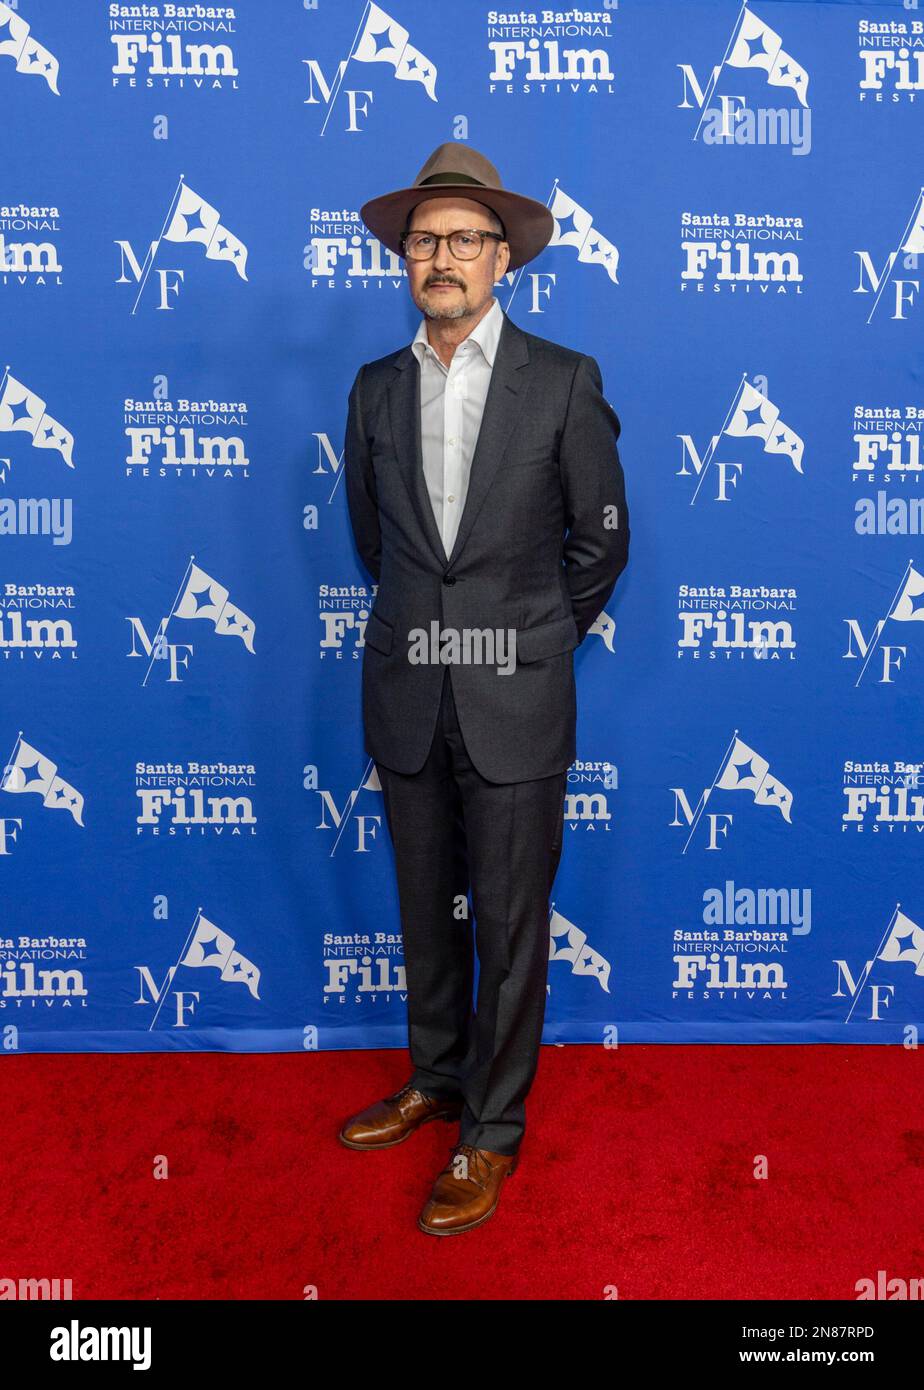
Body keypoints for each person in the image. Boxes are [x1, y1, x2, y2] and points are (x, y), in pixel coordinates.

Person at [341, 142, 630, 1236]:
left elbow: (600, 543)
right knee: (426, 911)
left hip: (517, 700)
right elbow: (379, 545)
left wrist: (531, 642)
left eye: (465, 237)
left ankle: (491, 1134)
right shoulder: (373, 388)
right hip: (409, 691)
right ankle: (438, 1078)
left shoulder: (563, 380)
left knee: (508, 926)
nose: (443, 256)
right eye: (425, 239)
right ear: (403, 259)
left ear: (503, 256)